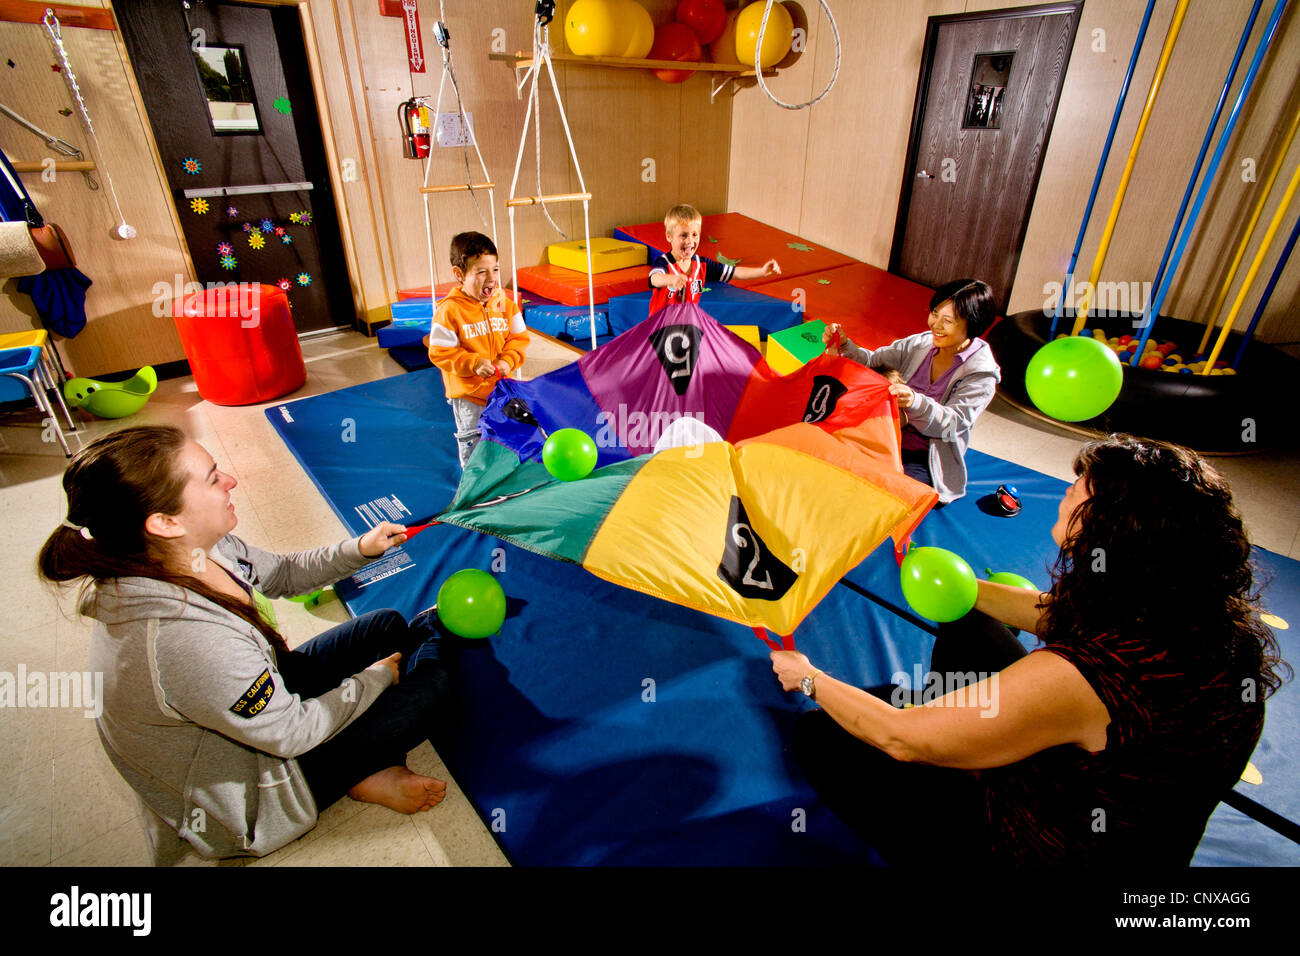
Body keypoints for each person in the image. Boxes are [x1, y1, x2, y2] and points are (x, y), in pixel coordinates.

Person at [771, 435, 1288, 865]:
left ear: (1108, 526)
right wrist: (959, 586)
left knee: (820, 736)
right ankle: (966, 735)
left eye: (1079, 490)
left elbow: (898, 737)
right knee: (969, 619)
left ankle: (961, 764)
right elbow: (1049, 611)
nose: (1065, 493)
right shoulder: (1186, 607)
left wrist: (808, 676)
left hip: (1050, 851)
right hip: (1132, 814)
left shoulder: (1085, 678)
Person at [38, 425, 456, 864]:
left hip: (260, 702)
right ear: (164, 521)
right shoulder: (181, 636)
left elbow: (282, 574)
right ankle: (357, 770)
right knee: (435, 683)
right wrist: (375, 679)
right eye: (212, 477)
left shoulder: (195, 547)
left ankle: (365, 767)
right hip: (258, 781)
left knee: (385, 626)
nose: (231, 481)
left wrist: (361, 549)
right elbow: (293, 733)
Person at [823, 278, 1000, 504]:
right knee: (830, 466)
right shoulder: (921, 344)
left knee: (885, 497)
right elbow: (873, 362)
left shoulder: (981, 374)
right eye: (934, 313)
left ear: (971, 326)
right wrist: (846, 345)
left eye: (948, 321)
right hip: (883, 438)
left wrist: (915, 402)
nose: (935, 325)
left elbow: (953, 423)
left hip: (924, 457)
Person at [428, 231, 530, 467]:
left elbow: (519, 338)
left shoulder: (505, 304)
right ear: (459, 274)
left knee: (508, 435)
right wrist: (473, 362)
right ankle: (474, 486)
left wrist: (508, 361)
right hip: (469, 395)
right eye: (481, 272)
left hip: (503, 387)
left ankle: (505, 473)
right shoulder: (449, 311)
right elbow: (440, 352)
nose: (491, 278)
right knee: (474, 442)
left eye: (494, 269)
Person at [648, 204, 781, 315]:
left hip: (687, 324)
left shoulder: (703, 265)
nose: (690, 241)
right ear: (669, 237)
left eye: (694, 235)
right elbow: (655, 278)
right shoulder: (664, 262)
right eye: (683, 235)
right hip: (661, 327)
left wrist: (762, 271)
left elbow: (735, 272)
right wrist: (672, 279)